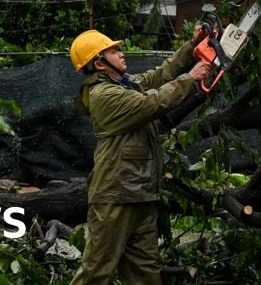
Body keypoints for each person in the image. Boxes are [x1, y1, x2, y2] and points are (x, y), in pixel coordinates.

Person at [68, 26, 212, 285]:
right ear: (99, 64)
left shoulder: (124, 83)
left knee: (145, 272)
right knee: (96, 271)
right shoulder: (104, 95)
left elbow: (159, 76)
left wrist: (191, 46)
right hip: (115, 195)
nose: (120, 53)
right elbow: (153, 103)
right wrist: (191, 79)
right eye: (113, 51)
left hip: (140, 192)